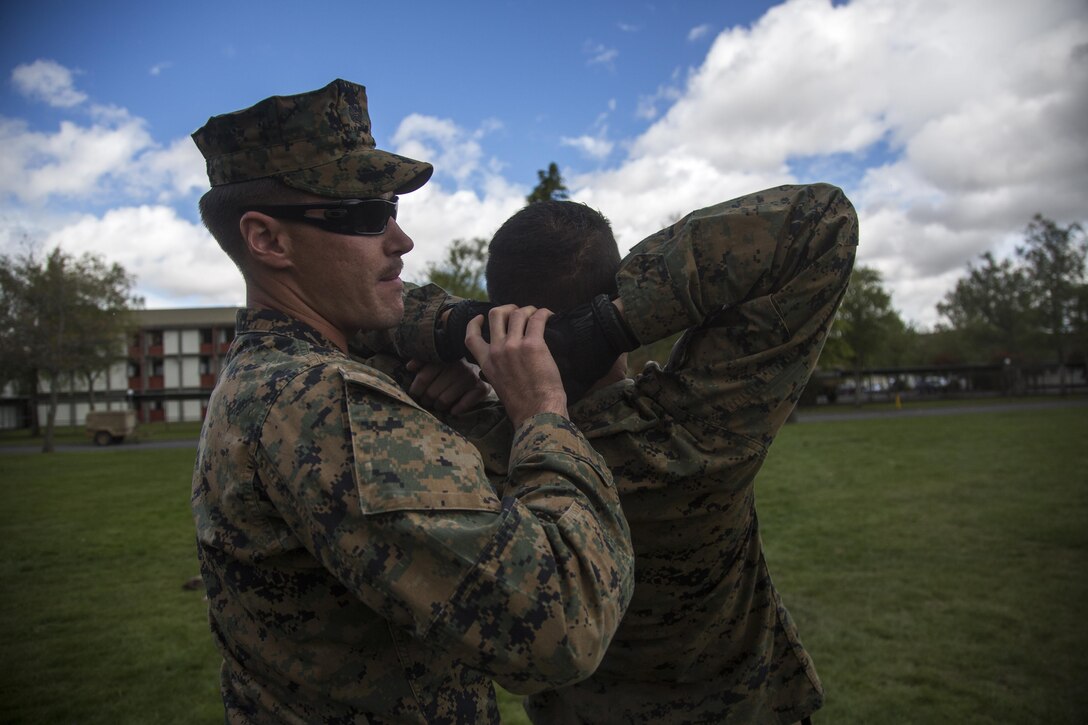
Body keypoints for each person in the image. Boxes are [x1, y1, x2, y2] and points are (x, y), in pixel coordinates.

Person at [189, 78, 634, 724]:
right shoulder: (323, 404)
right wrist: (542, 414)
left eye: (392, 208)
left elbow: (405, 313)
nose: (400, 239)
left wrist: (462, 343)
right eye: (366, 215)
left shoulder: (270, 375)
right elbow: (567, 622)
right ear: (268, 241)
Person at [387, 183, 858, 723]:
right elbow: (820, 222)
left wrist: (458, 331)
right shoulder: (695, 433)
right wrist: (614, 322)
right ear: (613, 289)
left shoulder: (476, 451)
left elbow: (347, 314)